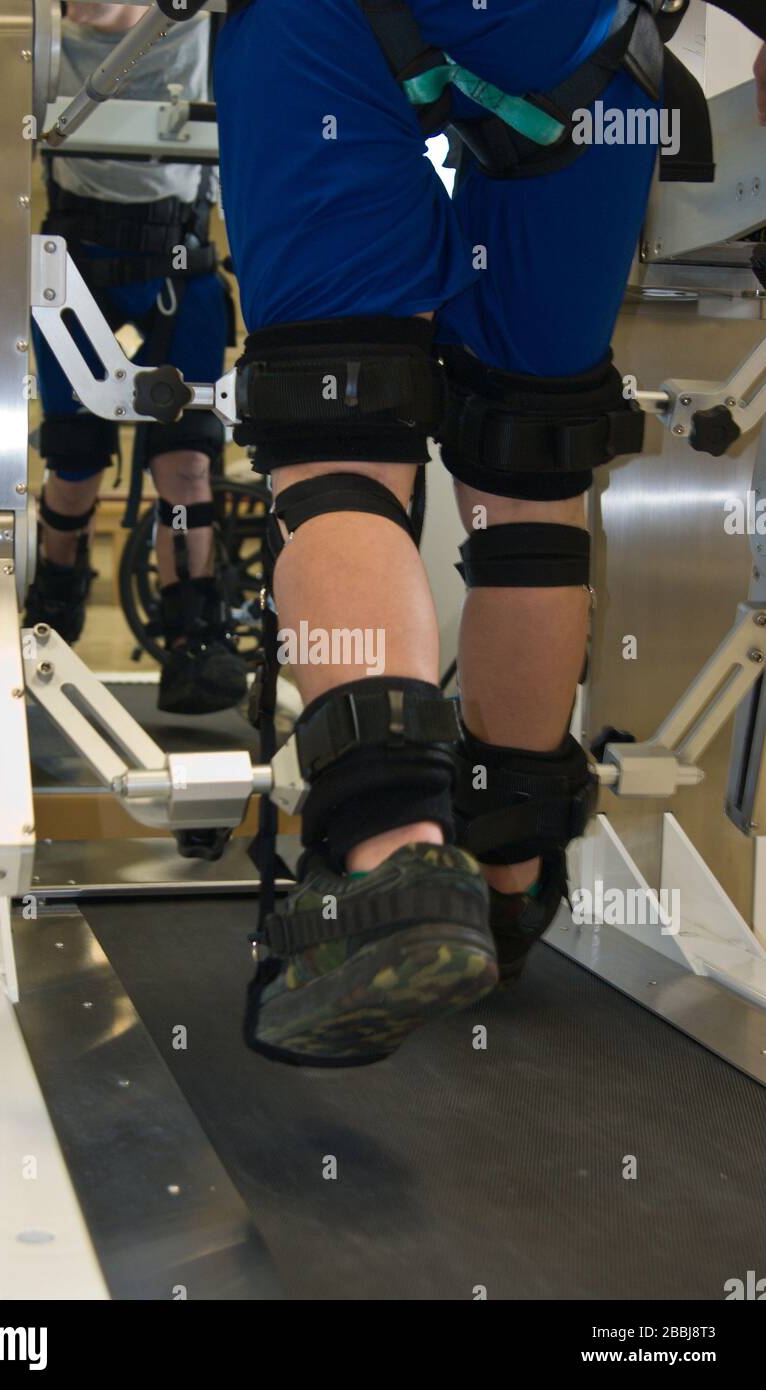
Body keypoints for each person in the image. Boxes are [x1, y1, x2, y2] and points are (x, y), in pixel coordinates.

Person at [212, 0, 766, 1066]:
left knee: (341, 431)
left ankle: (394, 862)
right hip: (594, 54)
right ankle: (509, 880)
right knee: (532, 464)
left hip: (330, 16)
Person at [27, 2, 248, 715]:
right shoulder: (34, 30)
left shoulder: (203, 18)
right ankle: (53, 611)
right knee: (75, 459)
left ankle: (193, 634)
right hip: (79, 258)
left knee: (184, 462)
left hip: (177, 260)